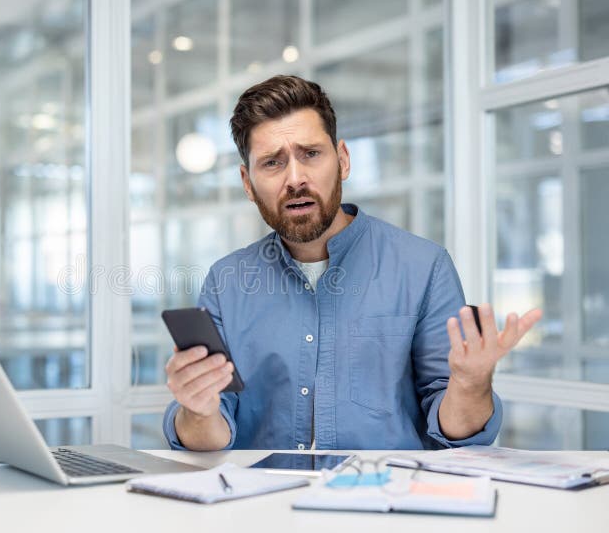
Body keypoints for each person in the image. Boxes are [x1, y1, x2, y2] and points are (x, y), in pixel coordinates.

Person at [162, 75, 542, 451]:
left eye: (311, 154)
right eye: (273, 163)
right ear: (247, 182)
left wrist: (471, 384)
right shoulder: (226, 282)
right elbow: (210, 436)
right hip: (260, 505)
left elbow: (458, 430)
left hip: (384, 503)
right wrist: (196, 411)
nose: (295, 179)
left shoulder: (424, 268)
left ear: (342, 160)